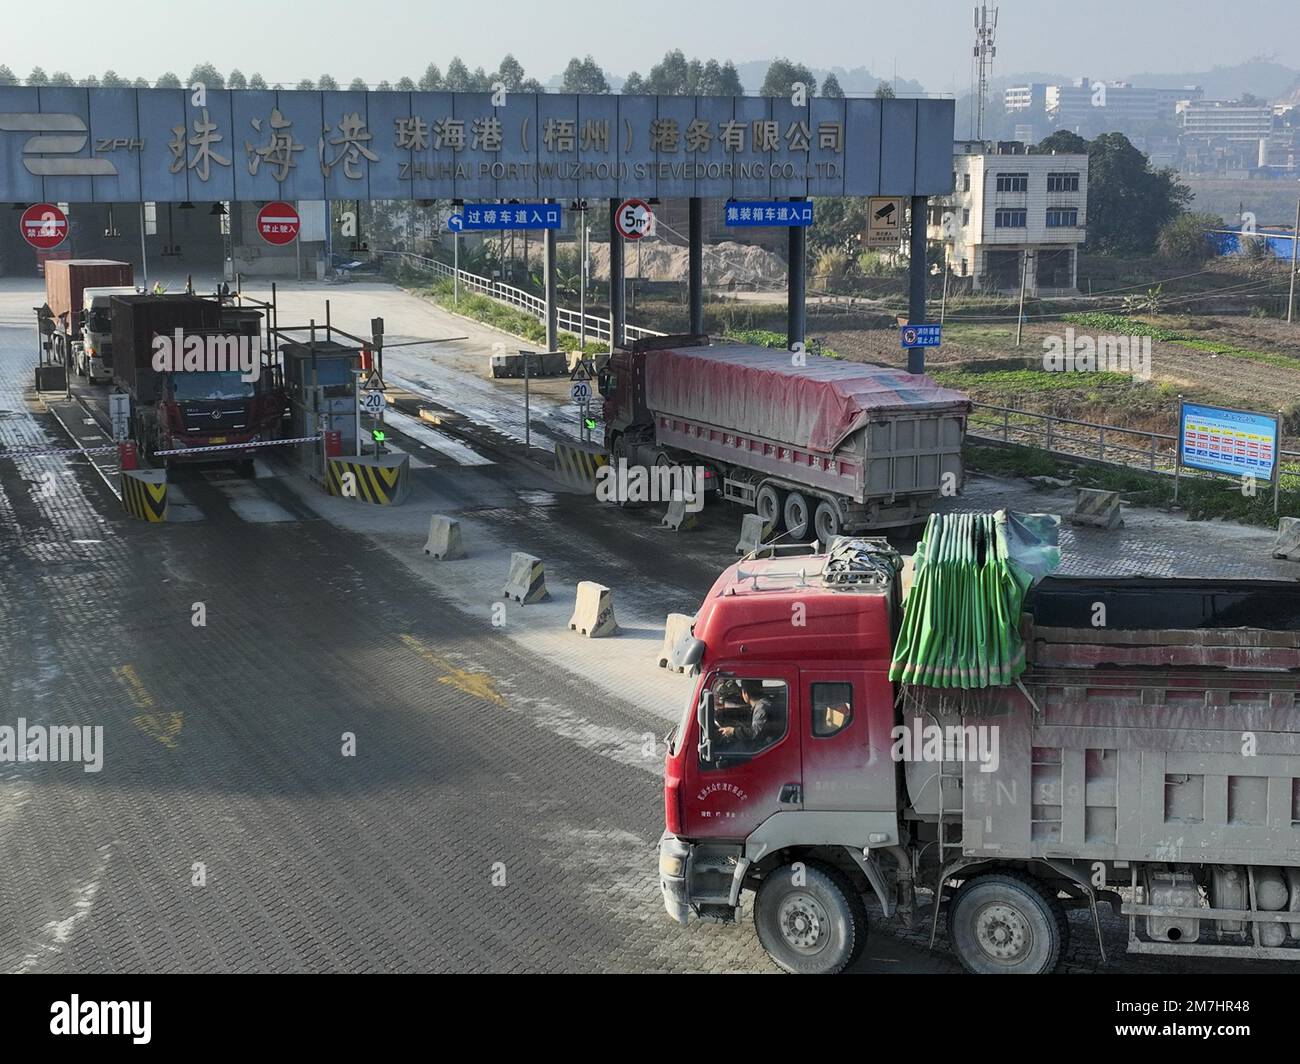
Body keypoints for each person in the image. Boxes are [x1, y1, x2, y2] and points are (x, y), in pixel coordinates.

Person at [717, 680, 773, 747]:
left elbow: (755, 733)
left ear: (745, 693)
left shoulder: (761, 708)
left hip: (762, 746)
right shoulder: (761, 705)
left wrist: (733, 731)